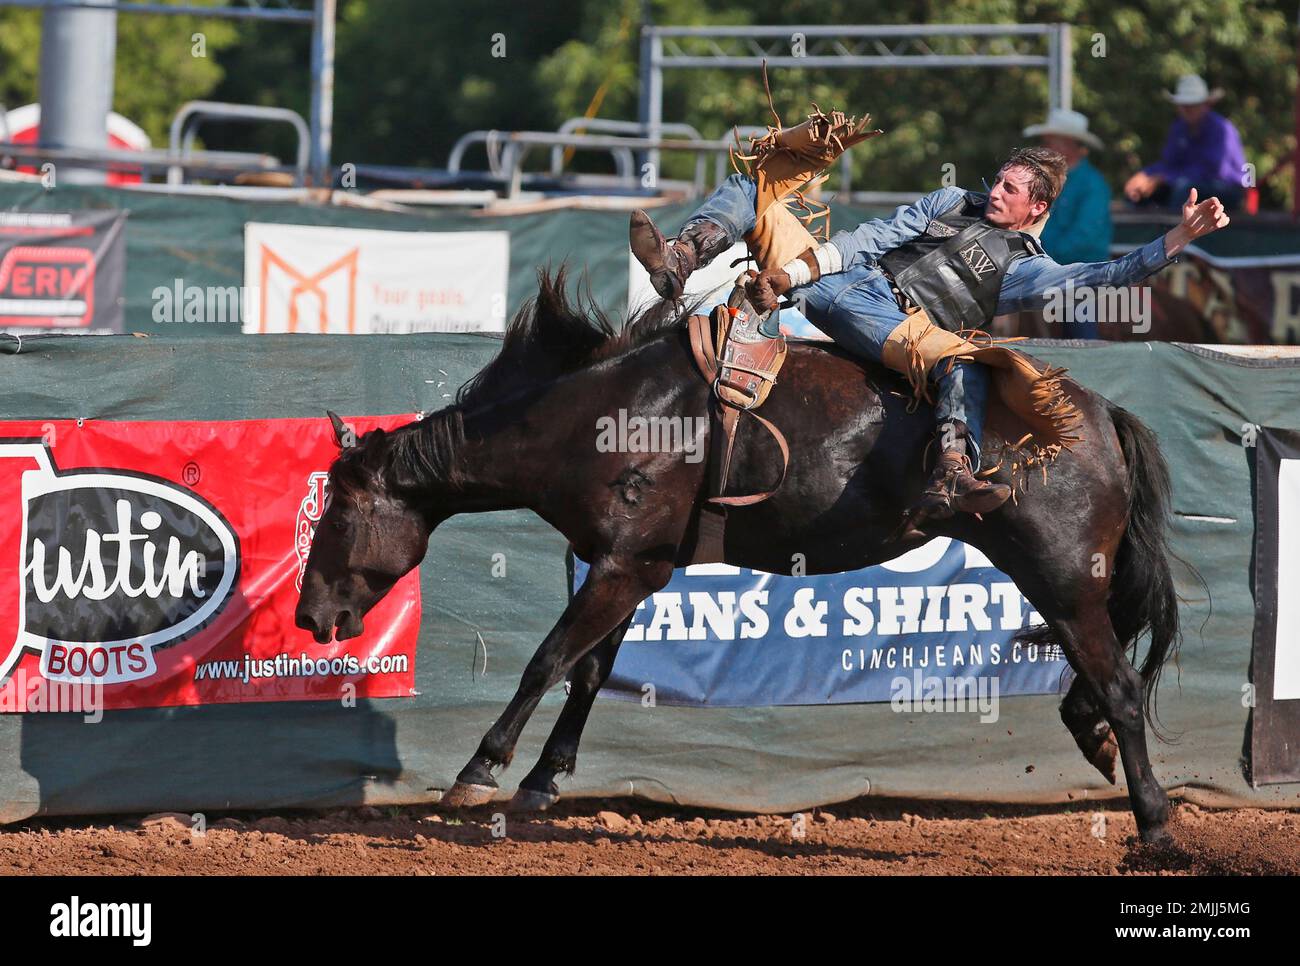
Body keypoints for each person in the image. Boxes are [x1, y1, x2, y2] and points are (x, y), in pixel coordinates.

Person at [629, 146, 1230, 525]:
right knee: (755, 186)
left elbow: (1104, 274)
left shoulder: (1029, 267)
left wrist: (1174, 242)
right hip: (841, 279)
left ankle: (952, 468)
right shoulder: (950, 200)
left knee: (963, 357)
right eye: (997, 181)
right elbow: (874, 236)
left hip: (903, 325)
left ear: (1036, 207)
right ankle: (682, 257)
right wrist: (796, 271)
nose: (995, 191)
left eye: (1010, 190)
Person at [1124, 74, 1246, 210]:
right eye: (1184, 104)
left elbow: (1212, 171)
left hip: (1226, 188)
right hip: (1184, 184)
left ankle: (1177, 230)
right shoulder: (1178, 128)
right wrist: (1145, 175)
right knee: (1138, 193)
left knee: (1183, 190)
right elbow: (1169, 163)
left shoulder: (1221, 129)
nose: (1187, 109)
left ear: (1206, 105)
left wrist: (1163, 178)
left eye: (1192, 104)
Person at [1023, 108, 1112, 265]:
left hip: (1079, 273)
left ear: (1067, 145)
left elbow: (1084, 236)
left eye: (1047, 142)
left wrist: (1037, 255)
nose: (1042, 148)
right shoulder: (1045, 177)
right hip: (1052, 266)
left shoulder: (1093, 184)